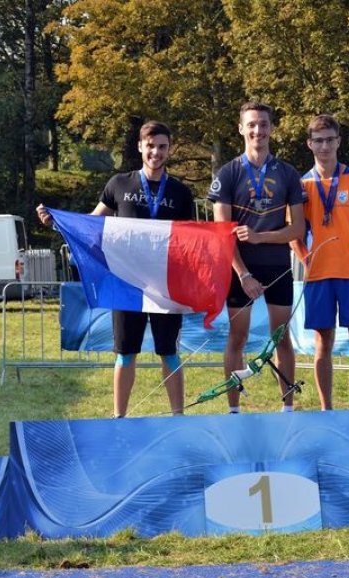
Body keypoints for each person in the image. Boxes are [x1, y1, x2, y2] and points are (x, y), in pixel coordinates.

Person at [37, 121, 195, 418]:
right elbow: (92, 225)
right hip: (126, 286)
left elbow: (188, 239)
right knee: (125, 353)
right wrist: (58, 222)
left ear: (169, 149)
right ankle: (119, 417)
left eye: (162, 147)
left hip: (164, 286)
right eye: (150, 146)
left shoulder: (180, 193)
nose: (156, 152)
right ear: (140, 147)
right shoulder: (119, 184)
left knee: (169, 353)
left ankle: (178, 416)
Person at [208, 101, 306, 413]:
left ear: (271, 129)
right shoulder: (228, 173)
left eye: (263, 124)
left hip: (277, 266)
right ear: (241, 128)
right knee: (237, 339)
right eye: (251, 124)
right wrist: (244, 275)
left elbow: (298, 229)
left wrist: (261, 236)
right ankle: (234, 410)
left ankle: (287, 409)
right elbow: (222, 233)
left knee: (282, 339)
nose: (257, 130)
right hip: (240, 271)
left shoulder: (288, 173)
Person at [290, 114, 349, 411]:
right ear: (310, 144)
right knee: (322, 343)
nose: (325, 146)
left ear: (339, 141)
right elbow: (295, 233)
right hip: (318, 276)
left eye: (330, 139)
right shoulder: (302, 186)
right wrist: (307, 260)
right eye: (319, 141)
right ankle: (326, 409)